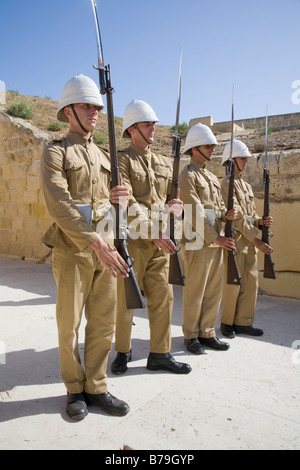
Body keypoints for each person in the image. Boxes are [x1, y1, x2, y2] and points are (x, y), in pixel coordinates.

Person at [40, 74, 131, 421]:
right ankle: (74, 389)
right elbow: (60, 204)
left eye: (96, 106)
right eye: (85, 106)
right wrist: (95, 242)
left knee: (103, 322)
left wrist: (122, 199)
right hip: (74, 249)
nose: (94, 112)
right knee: (69, 324)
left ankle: (96, 386)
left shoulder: (105, 154)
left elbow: (111, 204)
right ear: (68, 113)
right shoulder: (56, 151)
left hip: (106, 246)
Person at [111, 99, 191, 375]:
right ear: (132, 129)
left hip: (161, 240)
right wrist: (154, 231)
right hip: (135, 240)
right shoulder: (121, 159)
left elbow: (171, 198)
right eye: (147, 124)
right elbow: (129, 202)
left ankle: (160, 353)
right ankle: (123, 350)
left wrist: (176, 211)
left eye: (154, 123)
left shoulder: (165, 162)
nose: (153, 128)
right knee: (127, 300)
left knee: (163, 298)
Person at [179, 123, 239, 354]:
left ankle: (207, 332)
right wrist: (215, 238)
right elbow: (194, 210)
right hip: (199, 240)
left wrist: (227, 214)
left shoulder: (211, 177)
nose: (213, 149)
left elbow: (217, 207)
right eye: (208, 145)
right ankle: (191, 335)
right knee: (196, 290)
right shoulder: (187, 175)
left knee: (214, 289)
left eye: (213, 146)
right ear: (195, 148)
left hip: (216, 239)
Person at [220, 139, 273, 338]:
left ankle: (243, 322)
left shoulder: (245, 185)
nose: (246, 162)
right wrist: (256, 239)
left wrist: (261, 221)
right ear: (231, 160)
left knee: (251, 284)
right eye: (242, 158)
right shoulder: (227, 184)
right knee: (233, 284)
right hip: (237, 242)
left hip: (249, 243)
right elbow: (238, 218)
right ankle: (227, 323)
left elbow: (250, 215)